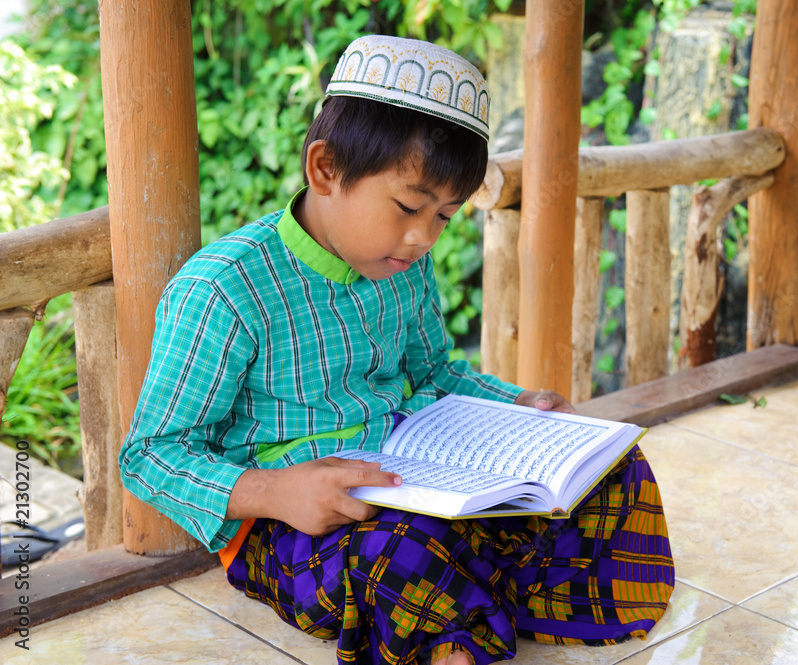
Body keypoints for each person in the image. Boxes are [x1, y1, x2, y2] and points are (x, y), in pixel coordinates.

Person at [119, 34, 674, 665]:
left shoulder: (401, 268)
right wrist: (276, 493)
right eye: (409, 207)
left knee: (607, 472)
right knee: (401, 547)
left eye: (443, 216)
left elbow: (433, 374)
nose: (421, 238)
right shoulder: (225, 288)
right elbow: (150, 456)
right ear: (325, 168)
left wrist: (521, 404)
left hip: (416, 473)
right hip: (294, 521)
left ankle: (465, 600)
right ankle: (458, 627)